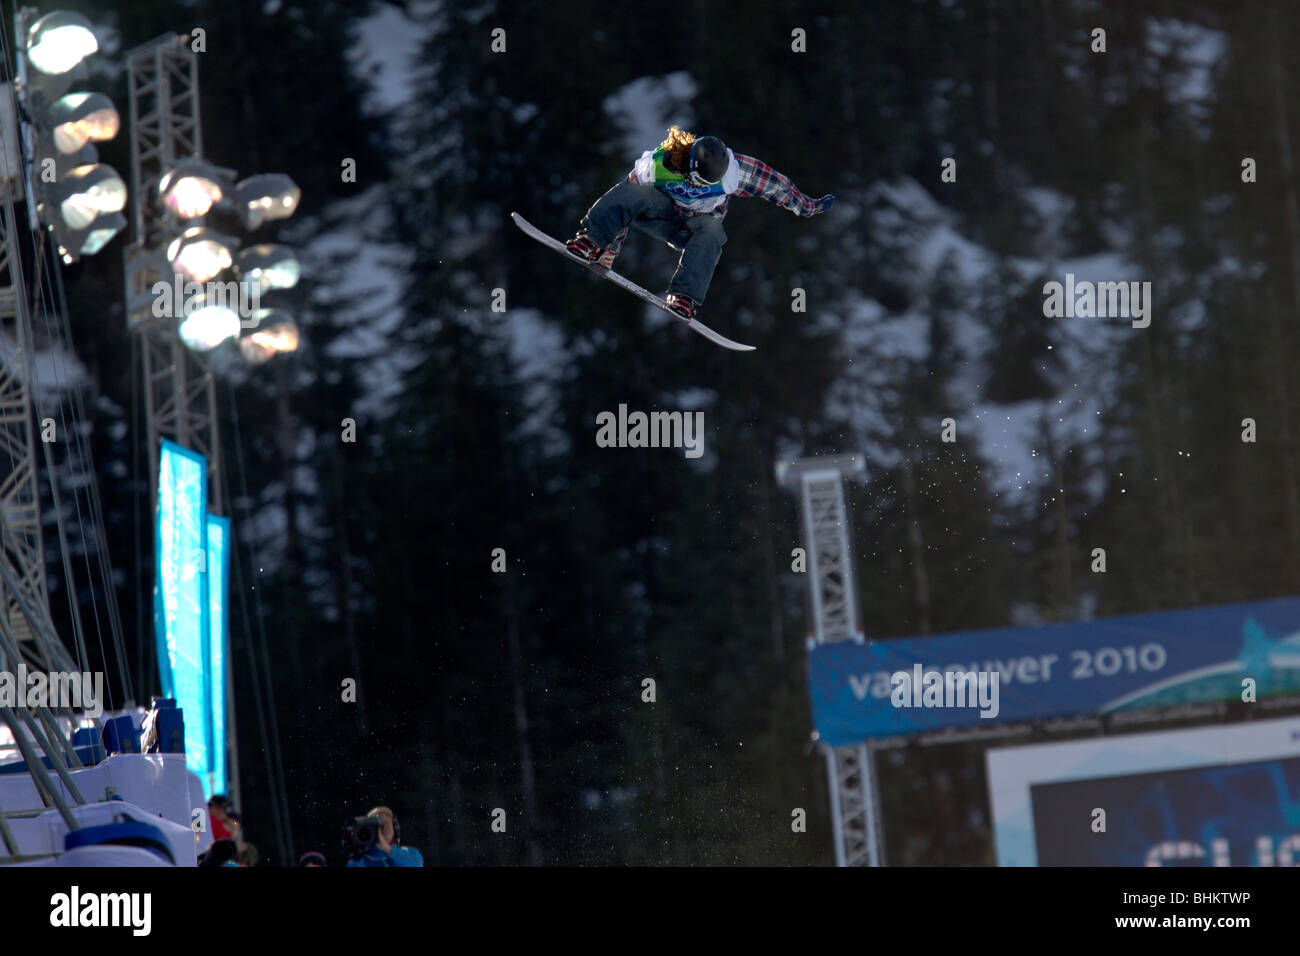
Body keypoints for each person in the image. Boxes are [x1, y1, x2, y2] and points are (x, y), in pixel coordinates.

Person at [566, 125, 834, 319]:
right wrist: (609, 249)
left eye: (710, 184)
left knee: (713, 229)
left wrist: (808, 207)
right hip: (658, 214)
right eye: (699, 180)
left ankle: (685, 296)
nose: (701, 187)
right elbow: (623, 200)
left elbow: (778, 186)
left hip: (691, 231)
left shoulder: (738, 171)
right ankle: (592, 241)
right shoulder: (661, 164)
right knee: (636, 190)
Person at [346, 805, 423, 867]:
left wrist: (387, 849)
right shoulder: (358, 861)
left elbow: (416, 864)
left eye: (386, 823)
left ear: (394, 828)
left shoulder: (410, 853)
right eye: (376, 826)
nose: (382, 828)